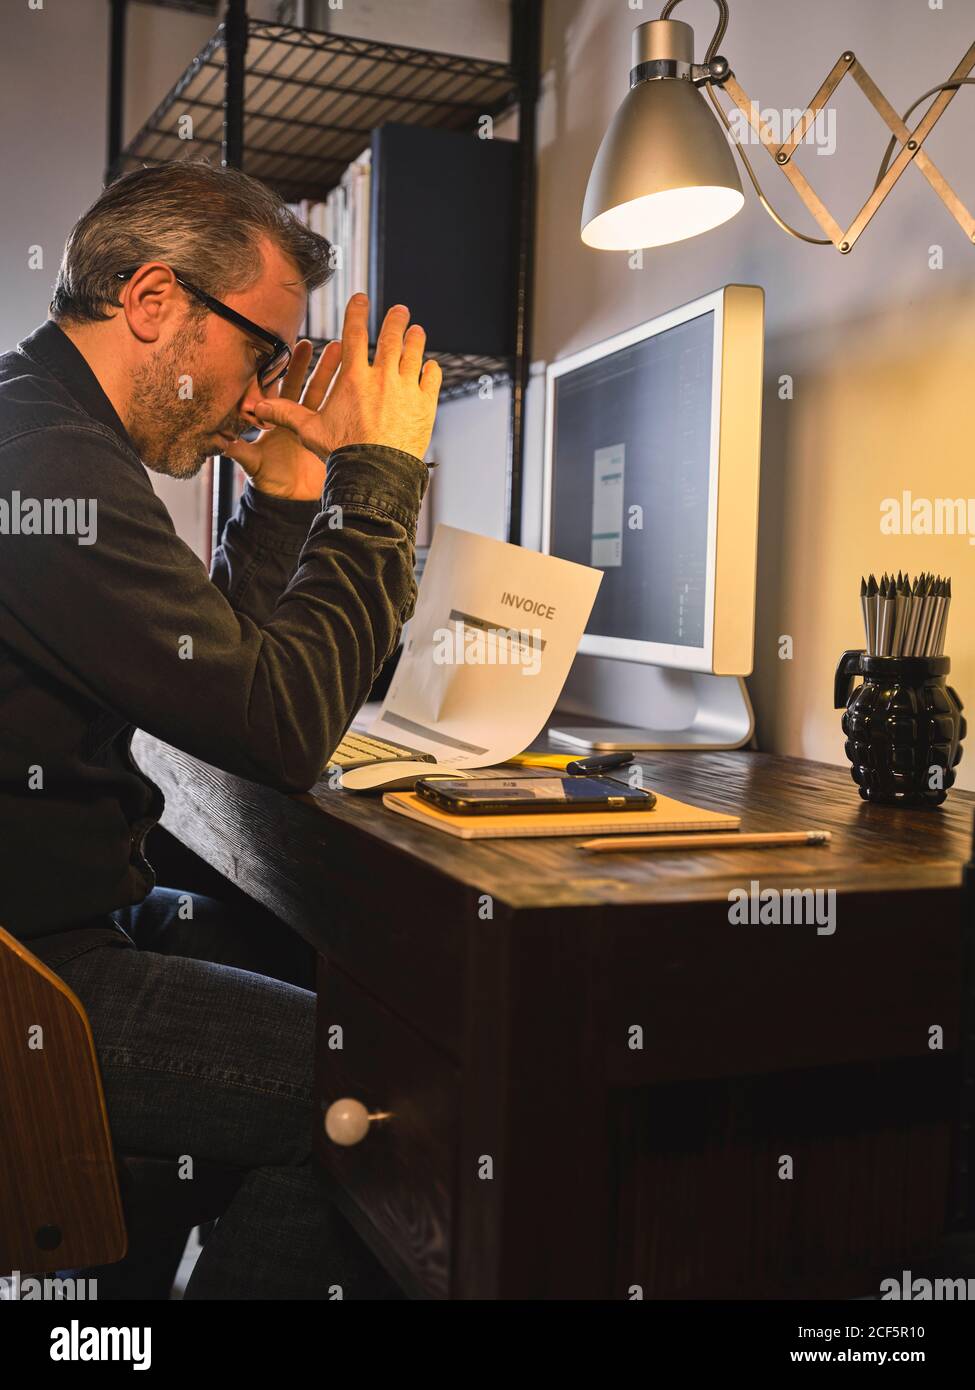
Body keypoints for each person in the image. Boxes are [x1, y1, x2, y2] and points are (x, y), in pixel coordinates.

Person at [0, 159, 441, 1298]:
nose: (261, 395)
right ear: (154, 303)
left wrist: (289, 498)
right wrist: (378, 474)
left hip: (58, 920)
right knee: (381, 1094)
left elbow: (224, 692)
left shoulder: (42, 426)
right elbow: (287, 724)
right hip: (34, 973)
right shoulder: (49, 466)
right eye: (261, 350)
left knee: (277, 953)